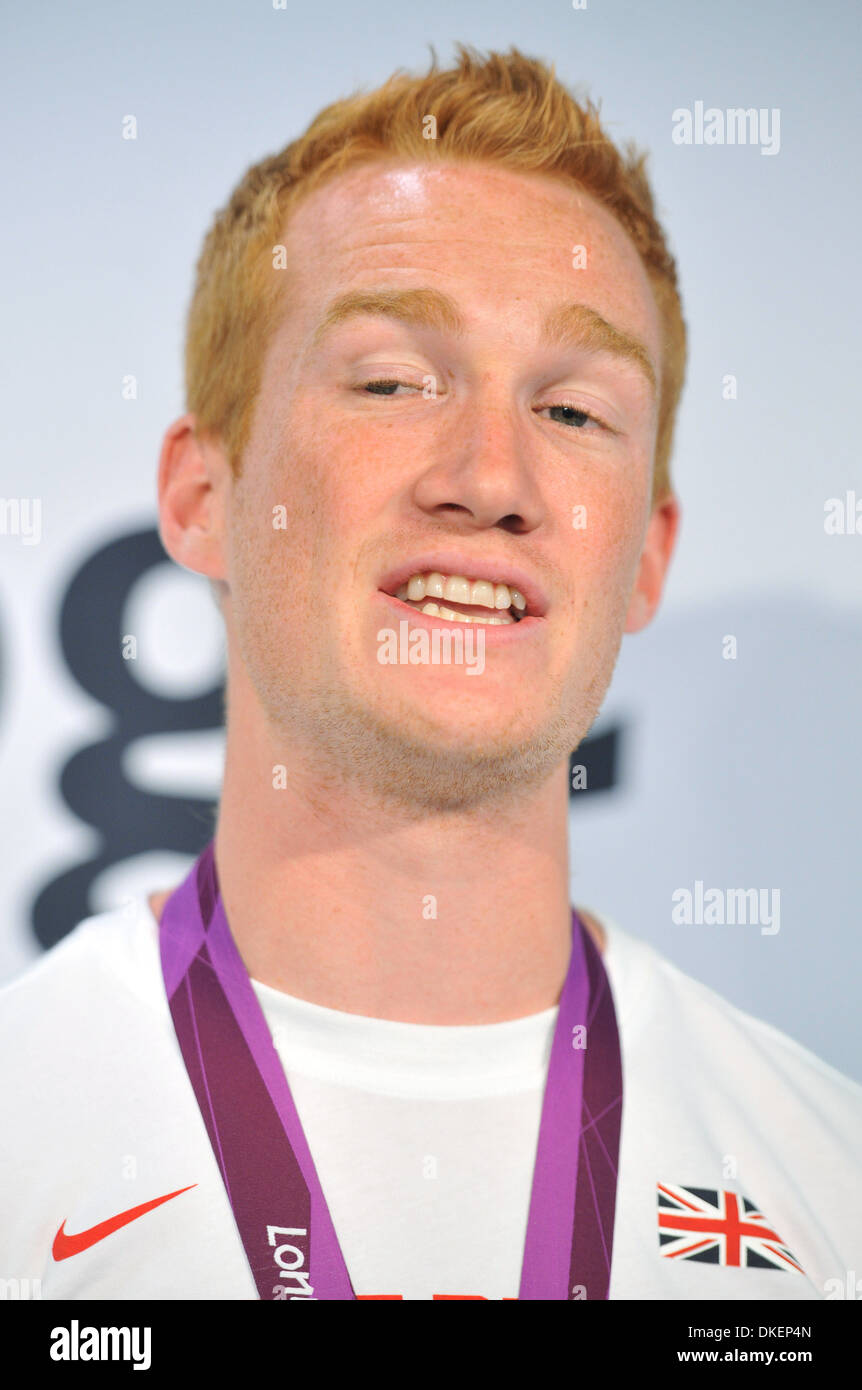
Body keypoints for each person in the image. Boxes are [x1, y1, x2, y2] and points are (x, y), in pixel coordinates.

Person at [1, 43, 859, 1303]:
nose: (491, 478)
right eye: (393, 380)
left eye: (573, 411)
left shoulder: (827, 1179)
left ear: (643, 559)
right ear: (200, 494)